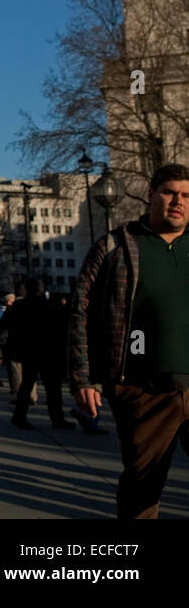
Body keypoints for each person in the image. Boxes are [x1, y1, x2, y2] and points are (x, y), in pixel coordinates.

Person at [70, 163, 189, 518]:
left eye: (186, 195)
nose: (177, 201)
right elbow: (81, 311)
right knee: (142, 487)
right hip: (143, 387)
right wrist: (83, 376)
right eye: (169, 192)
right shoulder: (116, 245)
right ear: (152, 194)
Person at [9, 278, 73, 430]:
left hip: (28, 350)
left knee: (27, 384)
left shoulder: (20, 306)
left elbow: (13, 328)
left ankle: (19, 415)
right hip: (46, 351)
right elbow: (56, 328)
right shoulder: (46, 306)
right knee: (52, 388)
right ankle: (56, 418)